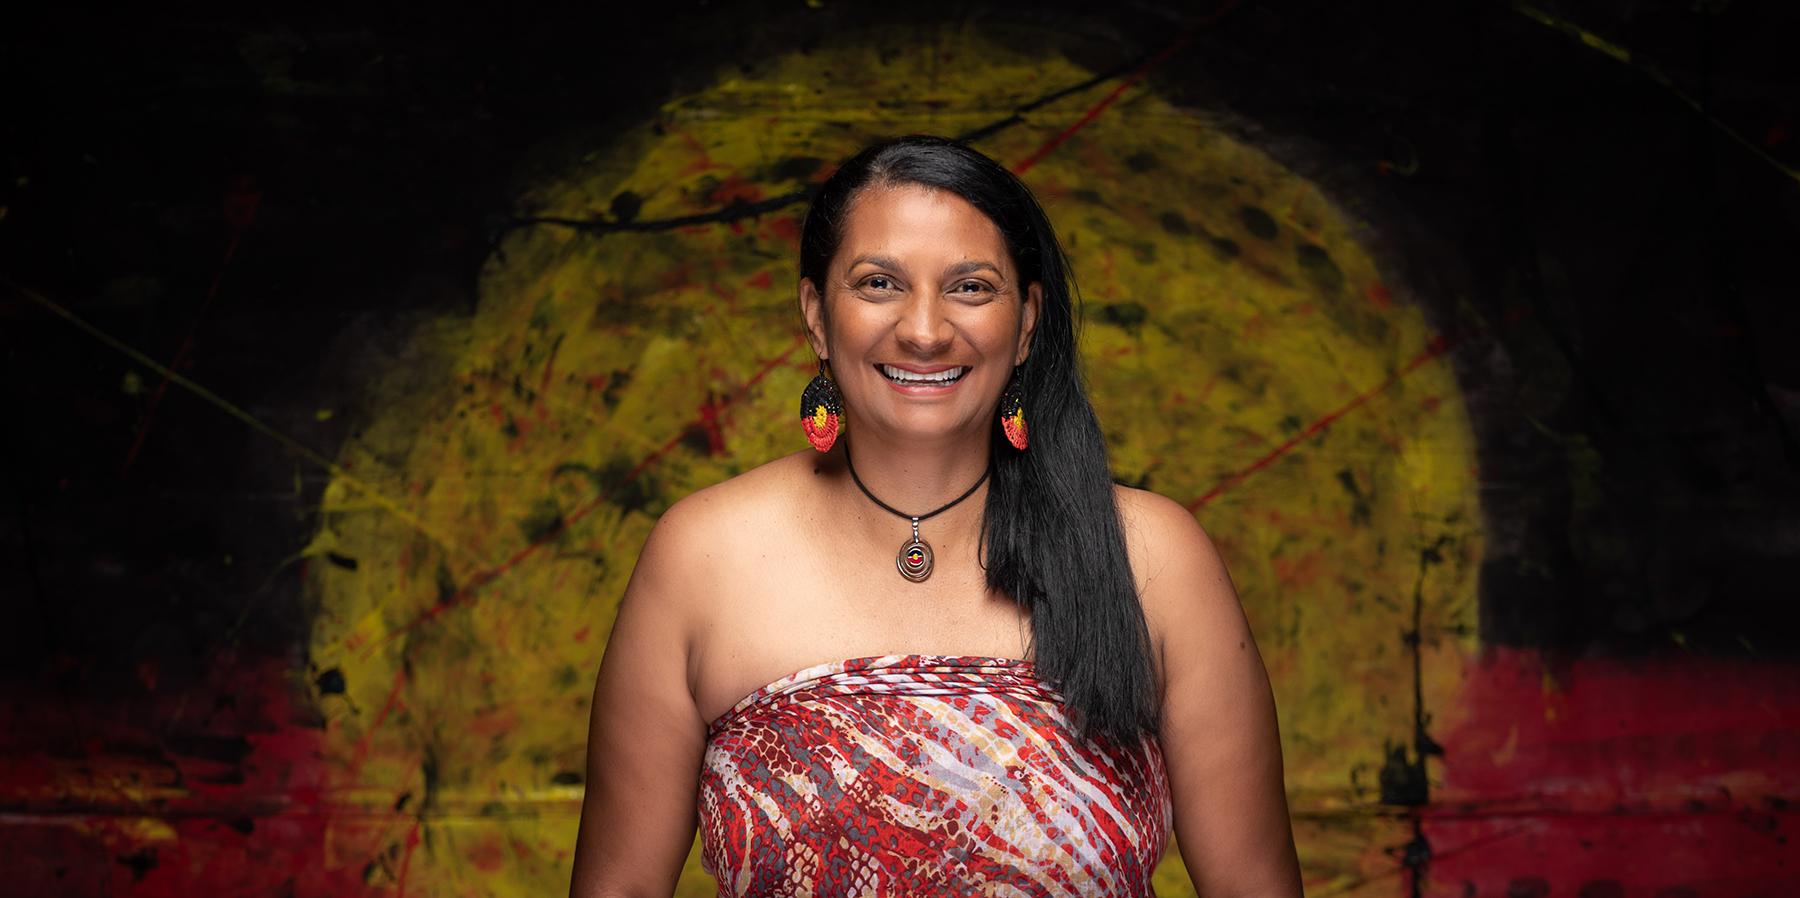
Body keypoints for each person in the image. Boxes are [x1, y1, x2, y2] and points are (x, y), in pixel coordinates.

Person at [568, 134, 1302, 897]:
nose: (924, 330)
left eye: (972, 288)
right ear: (816, 314)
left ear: (1026, 324)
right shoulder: (701, 556)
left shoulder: (1152, 556)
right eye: (880, 283)